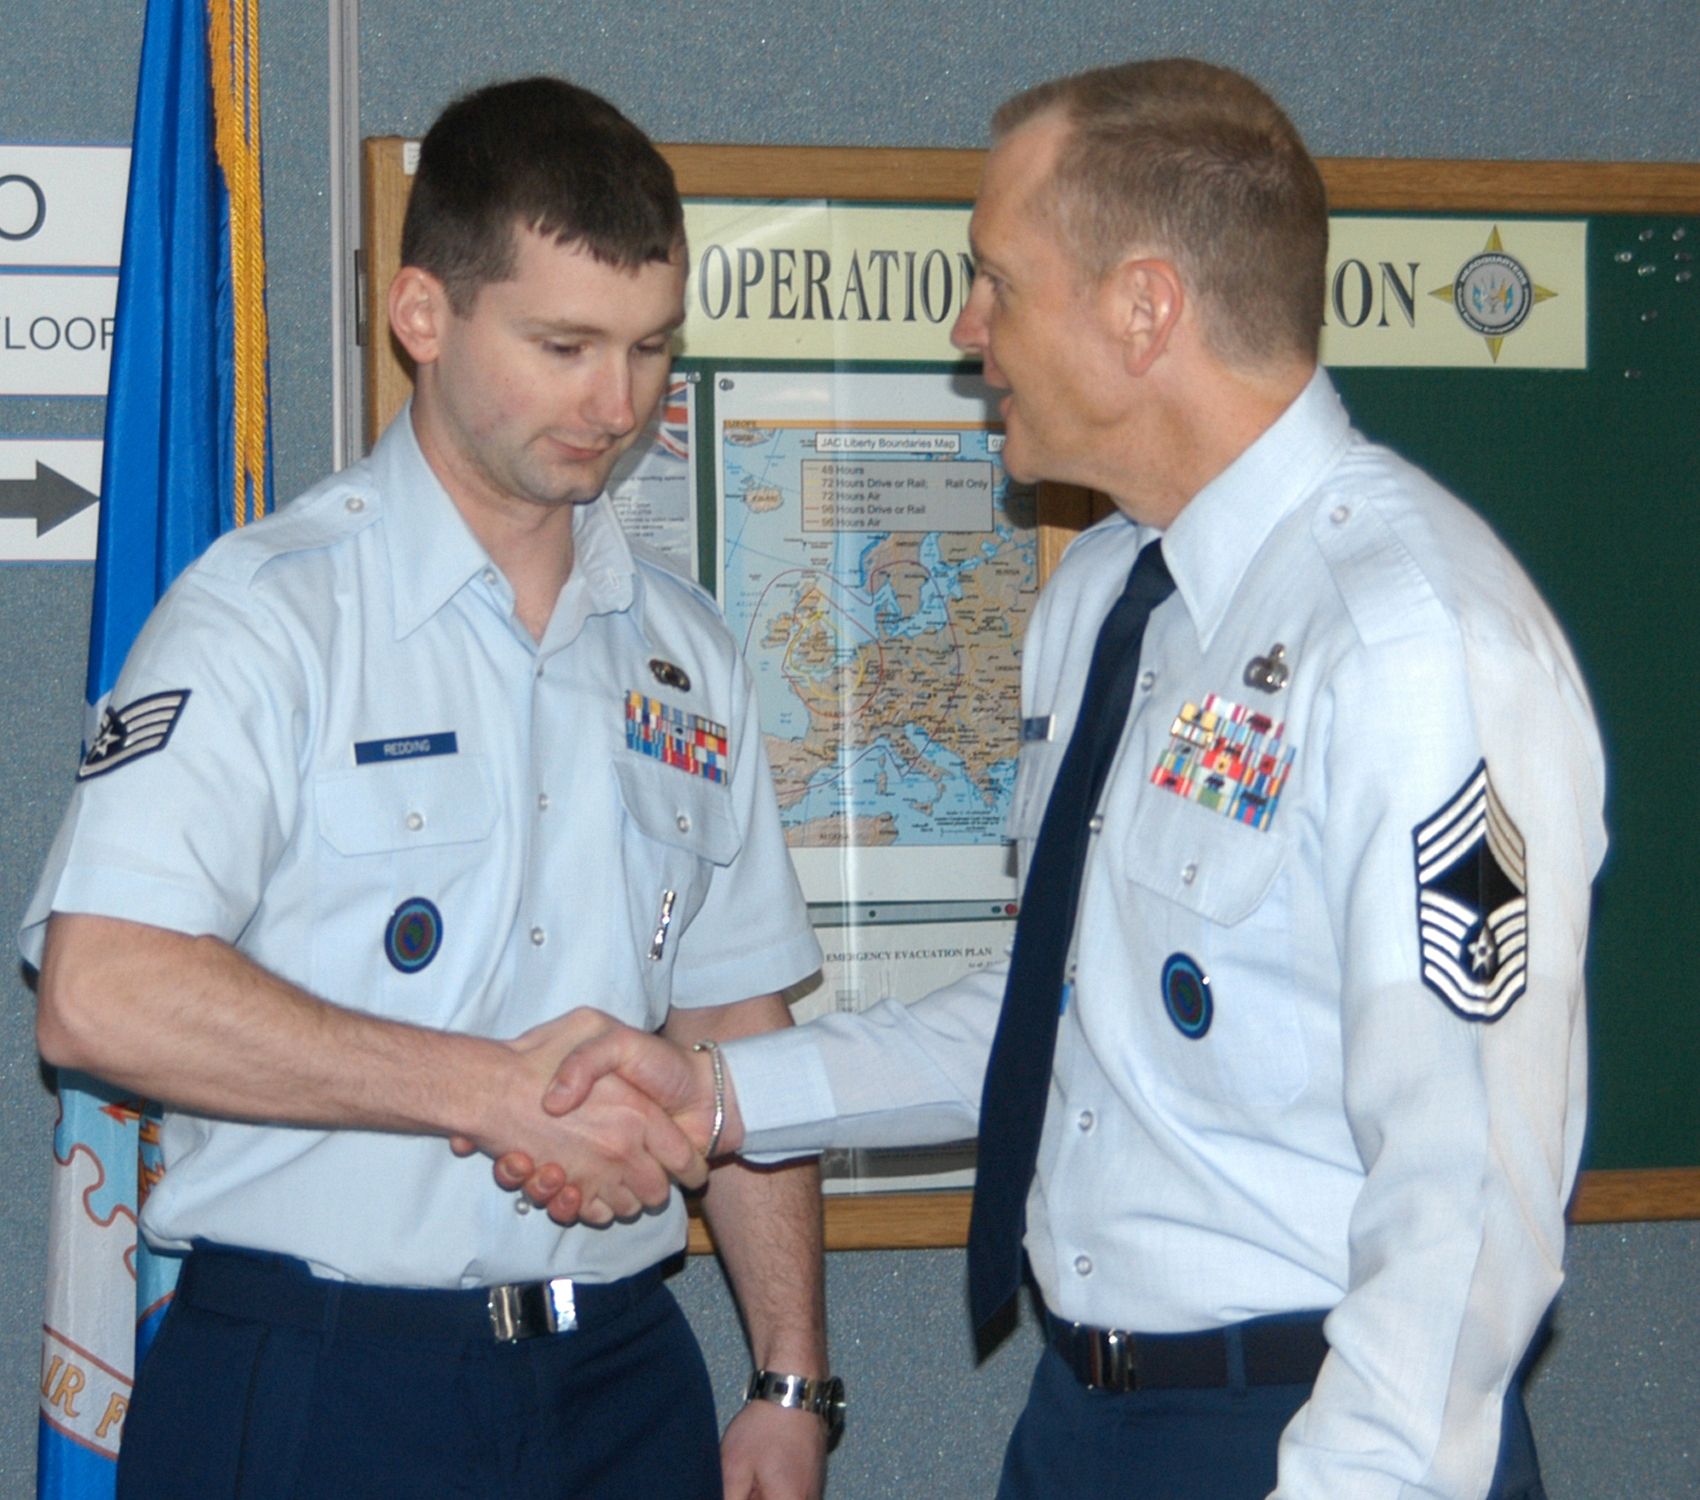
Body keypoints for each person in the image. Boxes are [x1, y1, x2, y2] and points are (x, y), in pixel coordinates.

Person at [503, 59, 1606, 1500]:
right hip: (1084, 1422)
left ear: (1145, 308)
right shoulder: (1102, 600)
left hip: (1311, 1428)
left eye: (996, 282)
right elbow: (1049, 1018)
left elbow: (1470, 1194)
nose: (970, 337)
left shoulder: (1411, 639)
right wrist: (716, 1096)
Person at [23, 77, 836, 1500]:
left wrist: (788, 1373)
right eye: (564, 344)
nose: (618, 402)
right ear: (423, 315)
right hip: (325, 1375)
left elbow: (733, 1028)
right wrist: (491, 1094)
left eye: (650, 349)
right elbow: (101, 992)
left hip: (623, 1374)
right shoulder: (269, 620)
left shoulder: (686, 653)